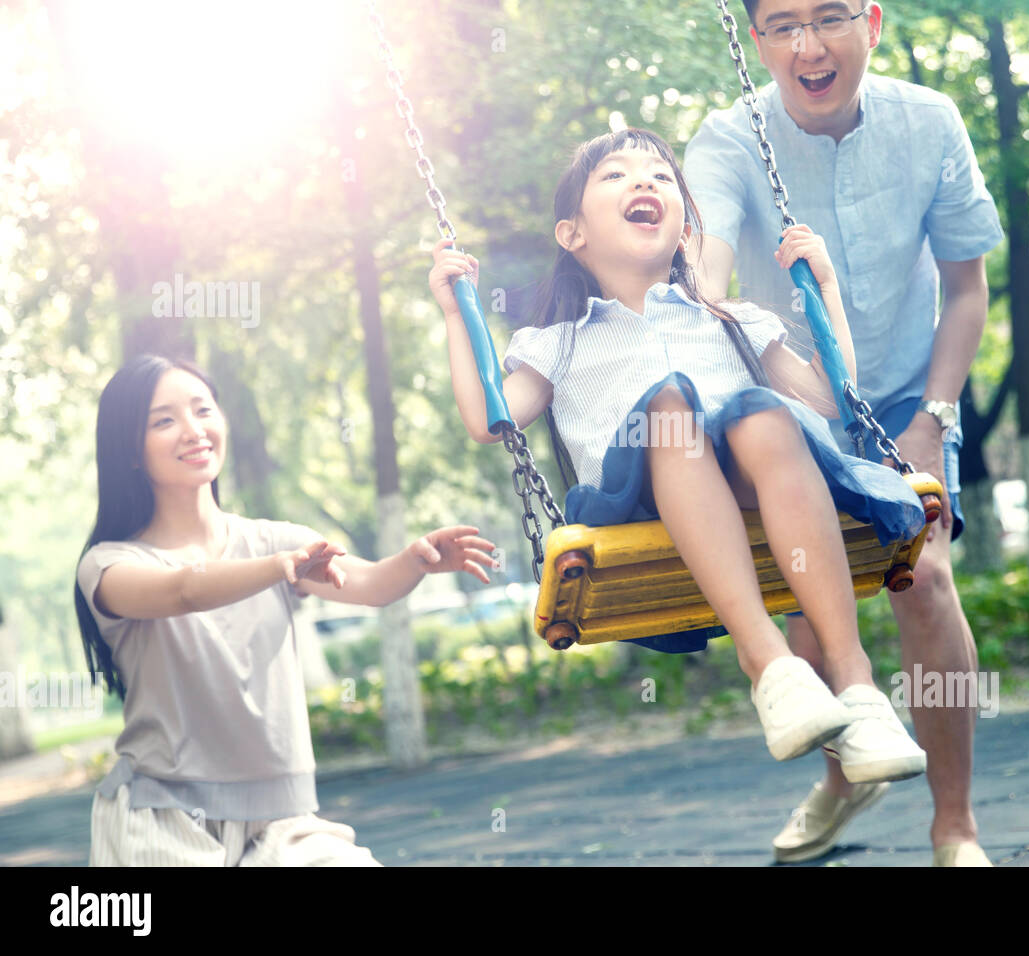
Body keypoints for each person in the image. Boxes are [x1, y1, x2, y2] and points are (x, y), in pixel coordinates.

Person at [430, 126, 930, 783]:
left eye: (661, 176)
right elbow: (488, 419)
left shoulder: (731, 318)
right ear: (572, 234)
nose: (644, 181)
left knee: (763, 413)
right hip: (636, 508)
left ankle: (858, 688)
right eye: (615, 175)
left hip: (753, 487)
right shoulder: (558, 343)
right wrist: (452, 314)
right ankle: (769, 666)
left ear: (685, 223)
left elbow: (833, 397)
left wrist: (825, 285)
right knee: (668, 406)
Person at [684, 0, 1004, 865]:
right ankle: (843, 778)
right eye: (783, 25)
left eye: (829, 18)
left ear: (871, 21)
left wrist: (935, 419)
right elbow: (707, 252)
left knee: (924, 580)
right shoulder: (726, 139)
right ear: (757, 42)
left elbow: (966, 287)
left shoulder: (929, 121)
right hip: (795, 409)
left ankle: (955, 825)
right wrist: (700, 285)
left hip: (907, 396)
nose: (808, 45)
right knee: (810, 623)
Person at [75, 354, 496, 866]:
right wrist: (278, 568)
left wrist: (414, 560)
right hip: (163, 819)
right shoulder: (110, 565)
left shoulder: (275, 541)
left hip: (282, 821)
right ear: (131, 450)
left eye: (202, 409)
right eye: (163, 420)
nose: (193, 430)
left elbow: (369, 583)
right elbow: (184, 590)